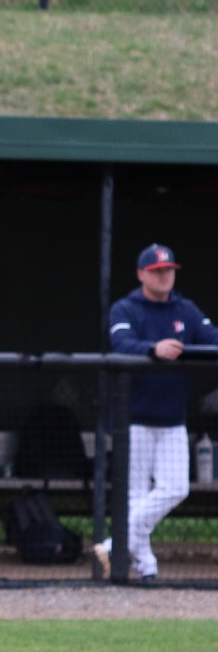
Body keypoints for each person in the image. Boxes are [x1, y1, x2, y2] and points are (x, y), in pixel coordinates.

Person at [102, 243, 218, 582]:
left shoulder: (186, 309)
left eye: (168, 270)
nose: (164, 275)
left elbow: (211, 338)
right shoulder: (126, 308)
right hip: (133, 419)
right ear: (142, 274)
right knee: (136, 495)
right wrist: (154, 349)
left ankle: (112, 545)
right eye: (156, 271)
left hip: (172, 420)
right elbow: (121, 344)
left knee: (176, 488)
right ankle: (146, 566)